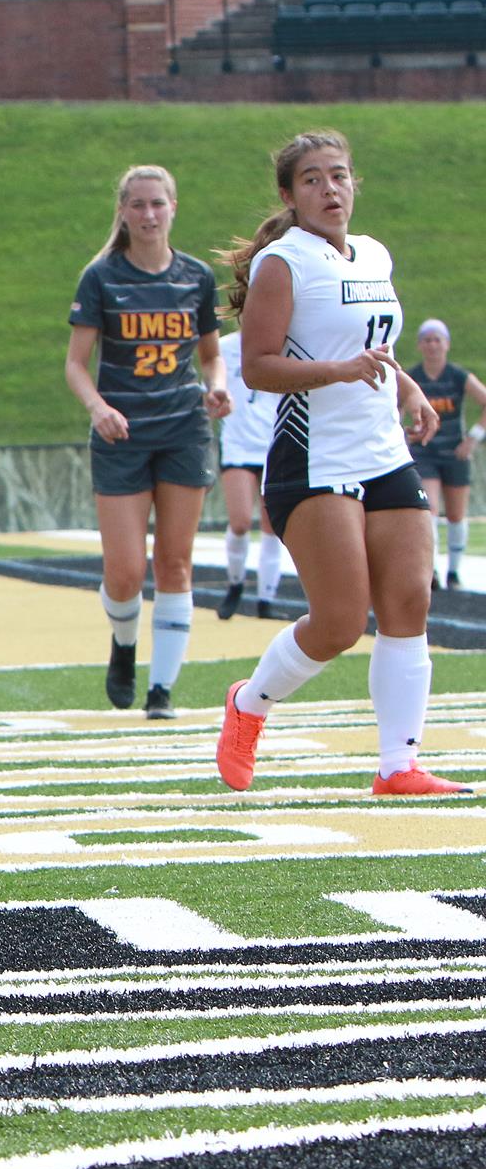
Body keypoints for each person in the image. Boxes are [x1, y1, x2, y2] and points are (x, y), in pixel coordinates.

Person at [214, 129, 464, 797]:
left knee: (411, 601)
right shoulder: (283, 263)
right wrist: (338, 372)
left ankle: (398, 766)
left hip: (383, 452)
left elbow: (373, 347)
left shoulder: (374, 255)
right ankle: (248, 705)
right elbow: (260, 367)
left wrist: (408, 390)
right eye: (314, 179)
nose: (331, 188)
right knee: (339, 623)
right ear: (291, 196)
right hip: (312, 458)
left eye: (340, 175)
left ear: (355, 184)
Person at [64, 166, 232, 722]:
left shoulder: (196, 277)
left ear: (174, 207)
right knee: (126, 571)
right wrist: (99, 408)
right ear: (123, 212)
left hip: (182, 428)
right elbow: (75, 365)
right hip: (122, 433)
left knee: (176, 564)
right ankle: (124, 644)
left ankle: (161, 691)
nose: (148, 215)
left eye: (156, 204)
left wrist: (218, 387)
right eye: (136, 205)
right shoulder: (102, 276)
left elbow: (210, 354)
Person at [215, 328, 292, 621]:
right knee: (240, 521)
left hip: (273, 443)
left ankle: (265, 599)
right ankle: (235, 584)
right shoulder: (225, 347)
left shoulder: (284, 345)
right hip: (237, 444)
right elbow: (210, 385)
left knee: (272, 526)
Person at [406, 318, 486, 591]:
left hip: (454, 452)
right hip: (425, 451)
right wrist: (400, 432)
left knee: (456, 515)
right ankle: (432, 570)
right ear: (420, 345)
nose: (432, 345)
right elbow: (390, 406)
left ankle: (454, 571)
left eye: (437, 339)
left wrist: (473, 439)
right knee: (430, 510)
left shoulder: (459, 376)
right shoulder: (413, 377)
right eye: (427, 340)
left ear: (447, 344)